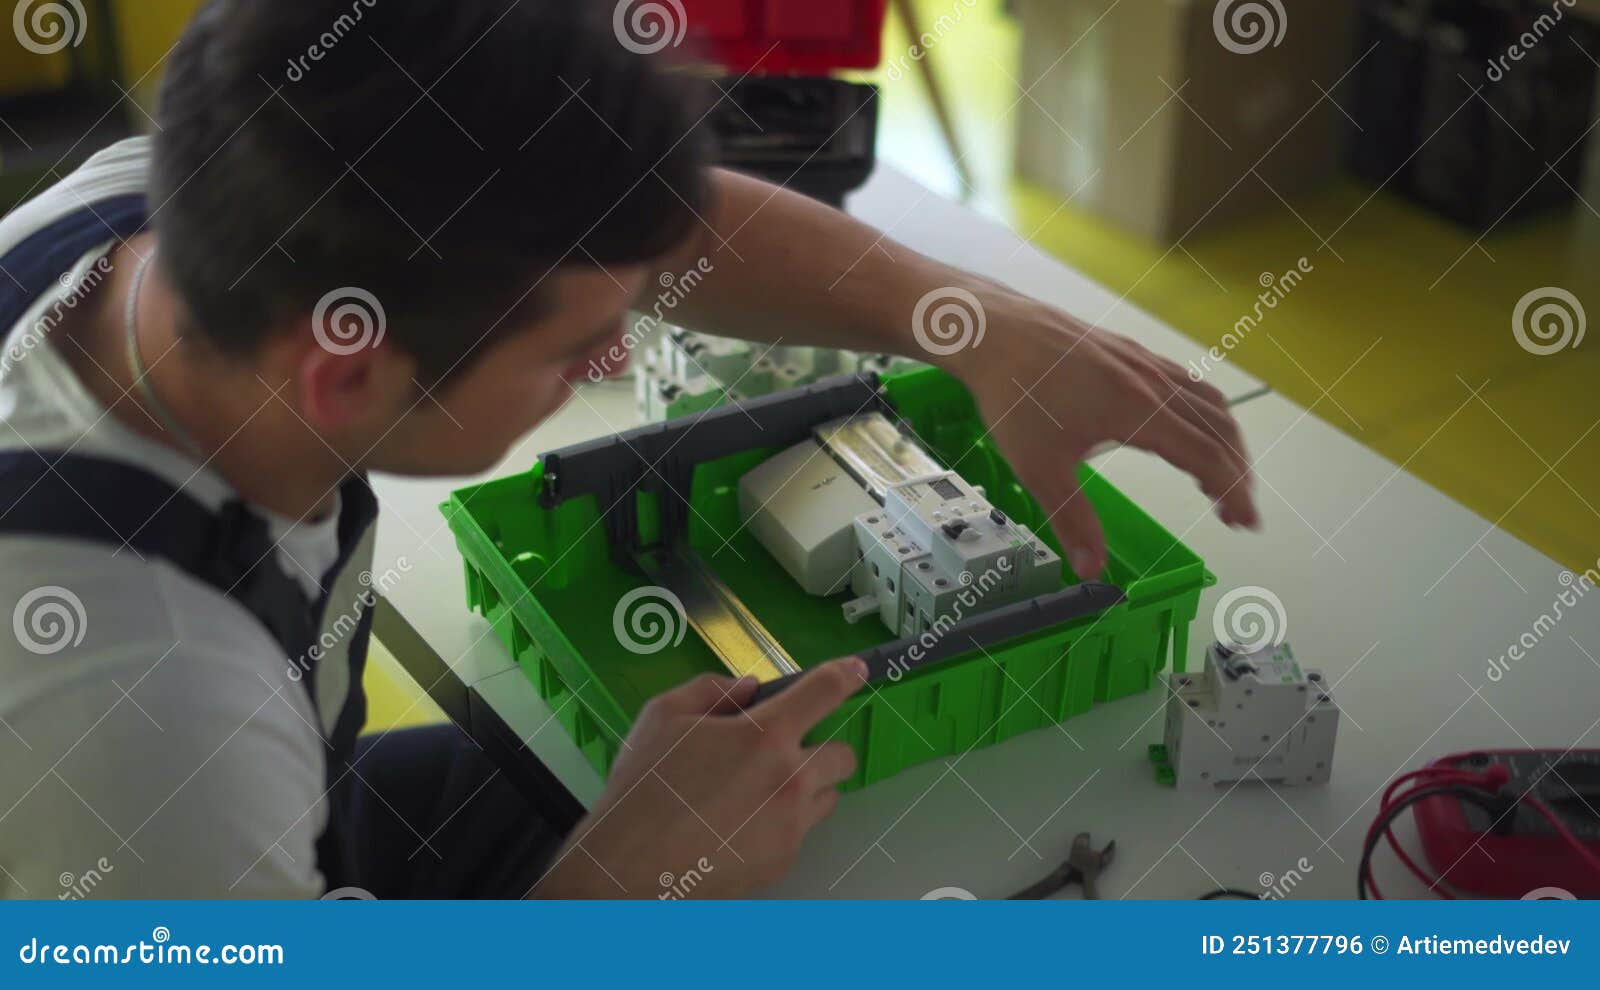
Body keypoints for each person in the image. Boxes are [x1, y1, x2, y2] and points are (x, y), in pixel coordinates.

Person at [0, 0, 1257, 899]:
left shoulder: (178, 201)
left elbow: (656, 230)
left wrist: (978, 326)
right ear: (349, 370)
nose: (614, 364)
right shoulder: (146, 725)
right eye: (571, 351)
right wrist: (616, 884)